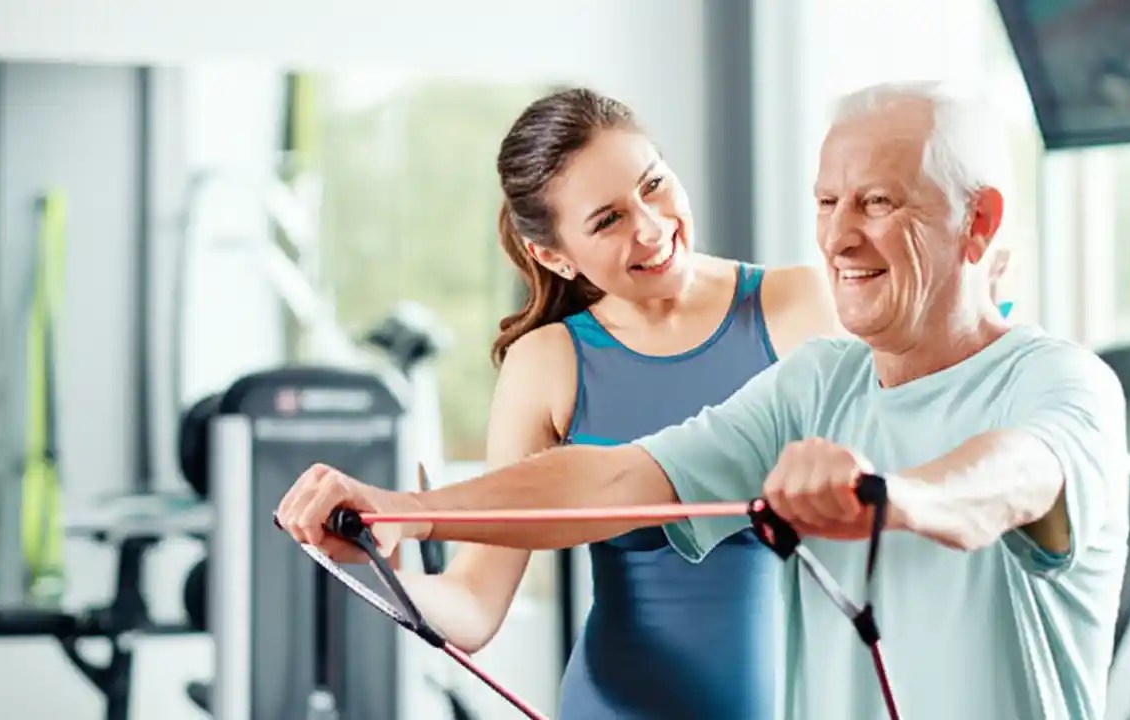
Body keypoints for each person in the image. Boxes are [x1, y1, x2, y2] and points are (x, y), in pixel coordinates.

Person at [277, 81, 1127, 720]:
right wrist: (406, 515)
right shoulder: (817, 382)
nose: (838, 235)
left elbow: (1016, 474)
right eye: (827, 204)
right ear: (560, 255)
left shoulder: (1060, 380)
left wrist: (892, 495)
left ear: (979, 226)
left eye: (876, 202)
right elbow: (615, 483)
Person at [344, 87, 842, 719]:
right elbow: (473, 607)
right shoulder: (547, 362)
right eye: (608, 220)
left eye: (654, 184)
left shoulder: (799, 304)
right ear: (552, 255)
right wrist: (376, 566)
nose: (651, 227)